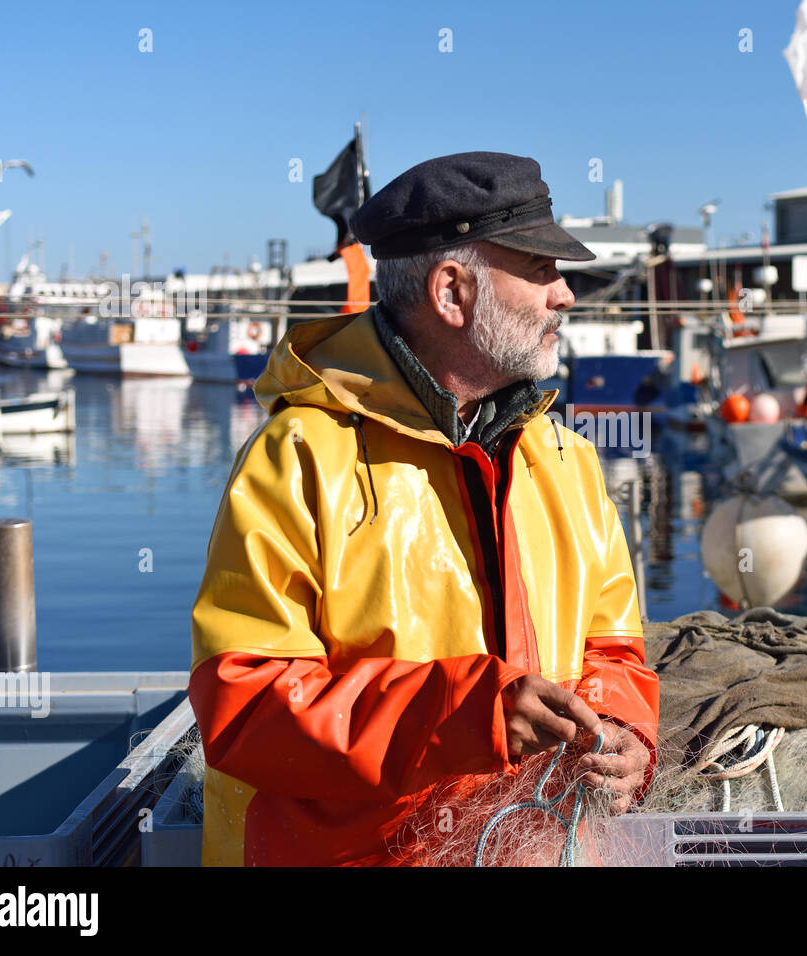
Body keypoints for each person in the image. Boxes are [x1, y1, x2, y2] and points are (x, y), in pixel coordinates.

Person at [189, 151, 658, 866]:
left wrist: (624, 735)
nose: (565, 294)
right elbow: (247, 704)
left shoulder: (570, 463)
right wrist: (467, 715)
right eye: (539, 269)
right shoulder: (298, 457)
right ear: (452, 291)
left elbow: (613, 651)